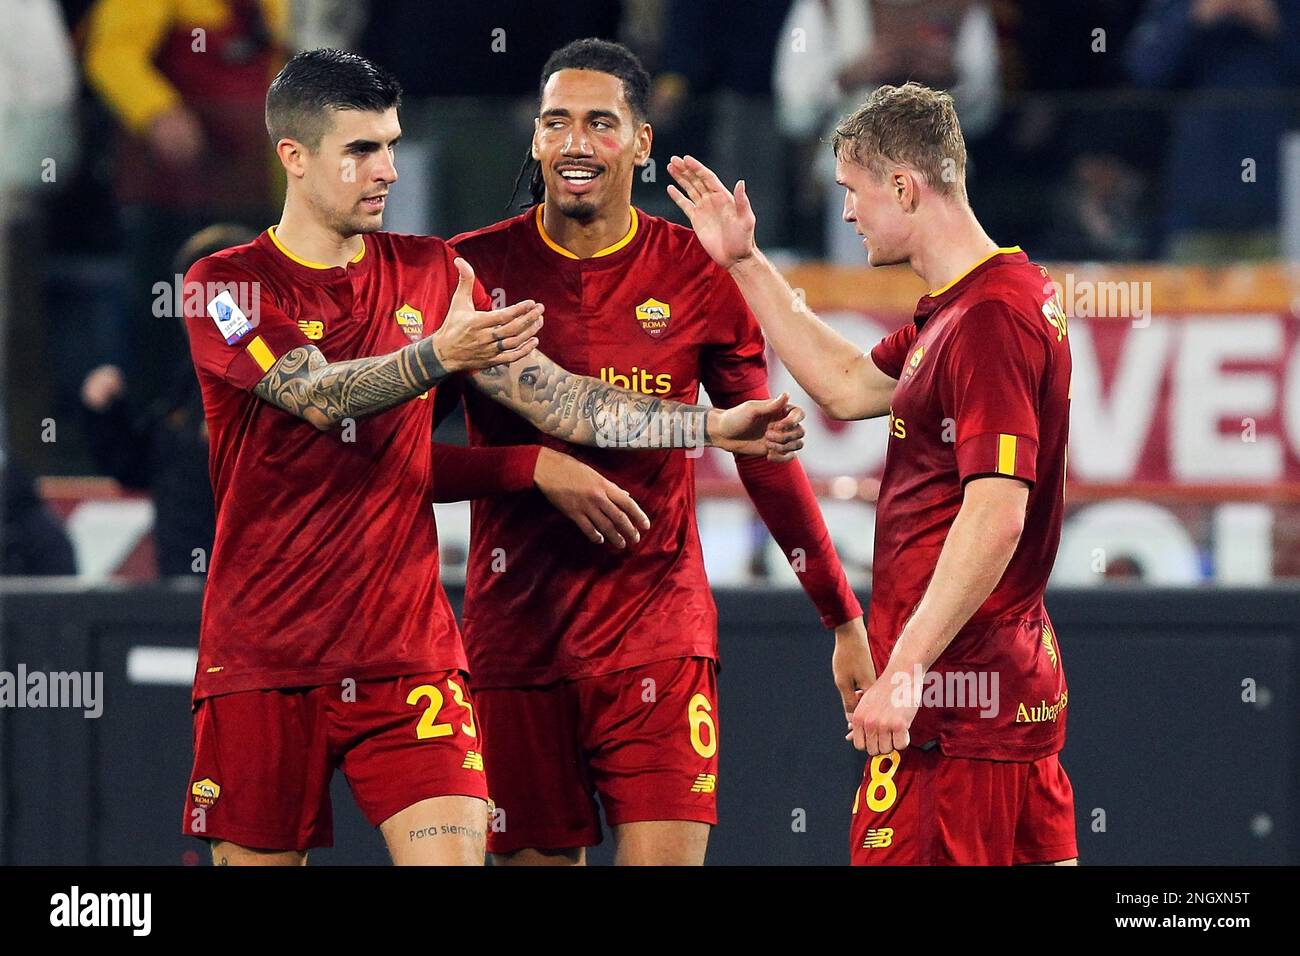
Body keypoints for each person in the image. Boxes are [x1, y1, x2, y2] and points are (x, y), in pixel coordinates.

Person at [179, 48, 802, 867]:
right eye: (362, 151)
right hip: (263, 654)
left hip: (411, 661)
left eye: (393, 146)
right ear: (294, 157)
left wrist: (708, 429)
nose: (388, 171)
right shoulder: (224, 285)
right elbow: (316, 394)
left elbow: (560, 399)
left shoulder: (434, 272)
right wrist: (436, 358)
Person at [444, 38, 870, 866]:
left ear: (642, 143)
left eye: (601, 124)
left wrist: (842, 614)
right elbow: (400, 462)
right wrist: (524, 469)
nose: (575, 143)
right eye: (556, 123)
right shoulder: (470, 271)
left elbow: (764, 448)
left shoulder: (698, 273)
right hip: (517, 642)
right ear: (534, 140)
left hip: (658, 638)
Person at [667, 81, 1076, 865]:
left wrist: (906, 671)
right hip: (1003, 700)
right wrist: (746, 262)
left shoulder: (987, 320)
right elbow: (848, 384)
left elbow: (996, 515)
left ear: (902, 185)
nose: (847, 213)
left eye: (853, 192)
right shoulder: (980, 300)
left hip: (954, 711)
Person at [80, 225, 257, 577]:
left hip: (249, 601)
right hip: (180, 598)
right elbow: (140, 468)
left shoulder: (282, 384)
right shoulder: (186, 384)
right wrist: (105, 414)